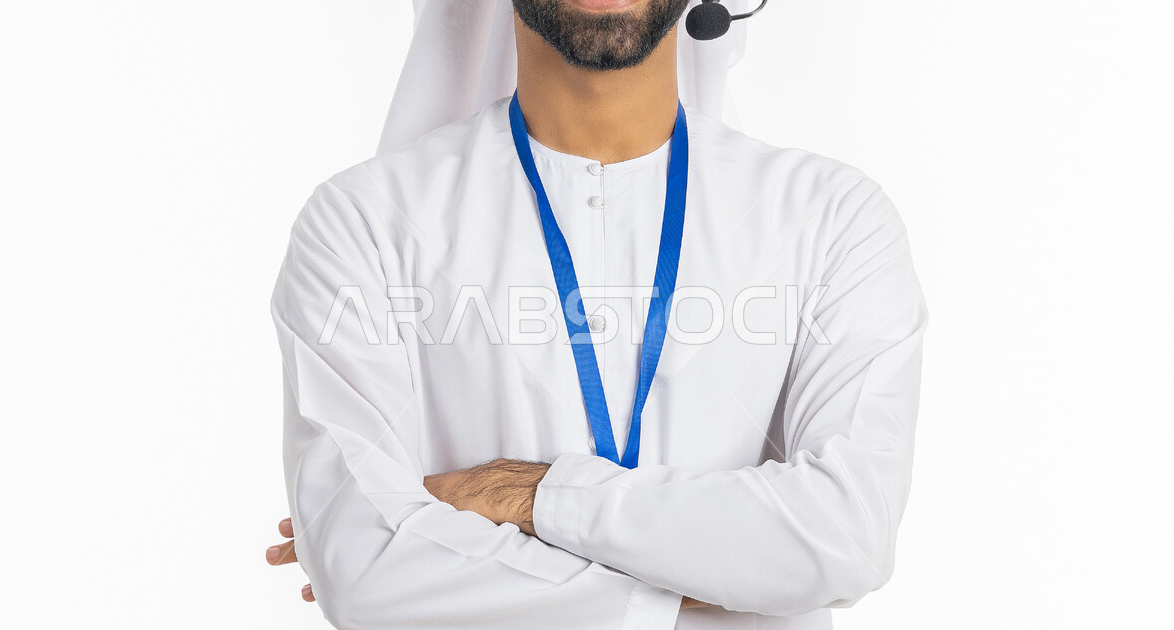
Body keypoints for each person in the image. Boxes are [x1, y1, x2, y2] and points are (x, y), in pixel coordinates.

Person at [265, 0, 927, 628]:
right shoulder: (360, 226)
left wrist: (533, 496)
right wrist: (732, 581)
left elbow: (844, 532)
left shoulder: (834, 222)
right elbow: (364, 566)